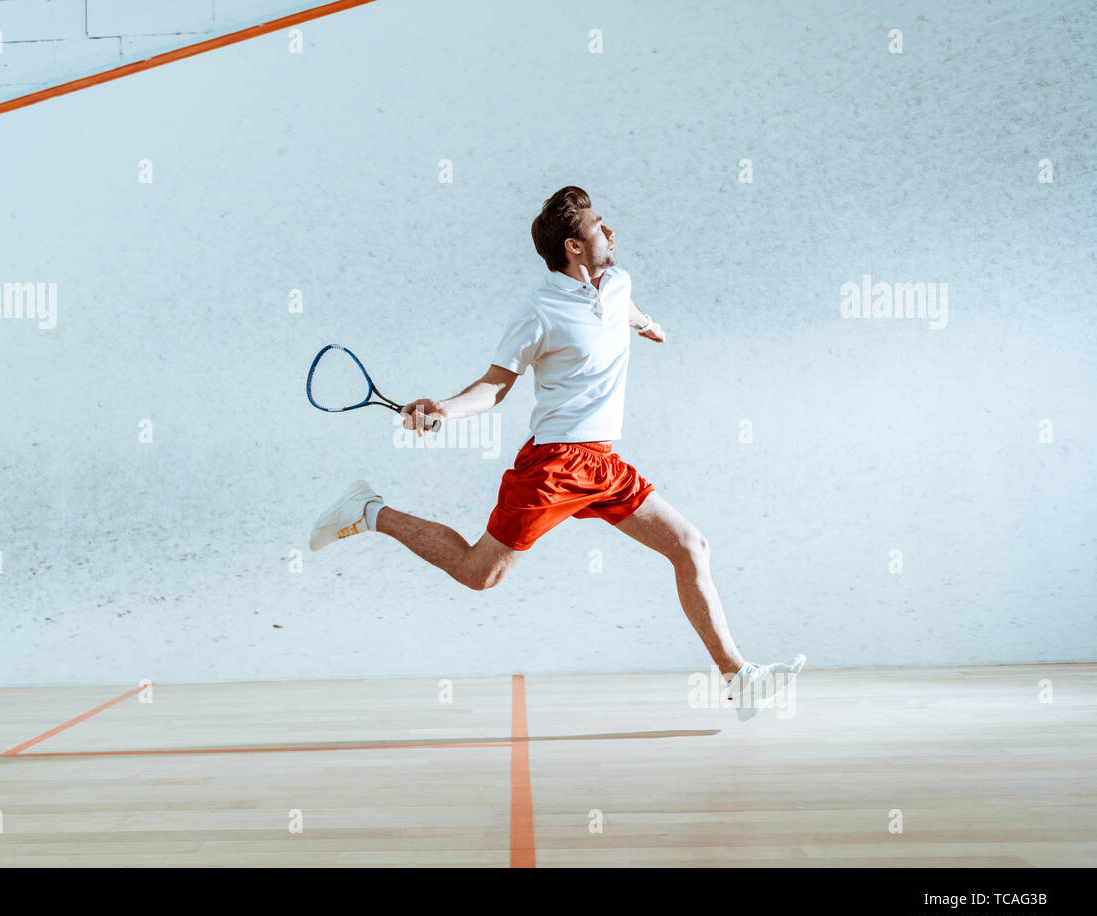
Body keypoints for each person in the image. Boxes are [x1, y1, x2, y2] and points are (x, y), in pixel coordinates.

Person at [309, 186, 804, 720]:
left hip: (603, 464)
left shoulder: (617, 283)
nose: (610, 232)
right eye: (598, 227)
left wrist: (647, 323)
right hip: (556, 465)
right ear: (573, 245)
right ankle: (368, 512)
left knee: (689, 545)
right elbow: (496, 384)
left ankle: (740, 678)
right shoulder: (538, 310)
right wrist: (446, 409)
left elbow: (623, 305)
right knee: (481, 573)